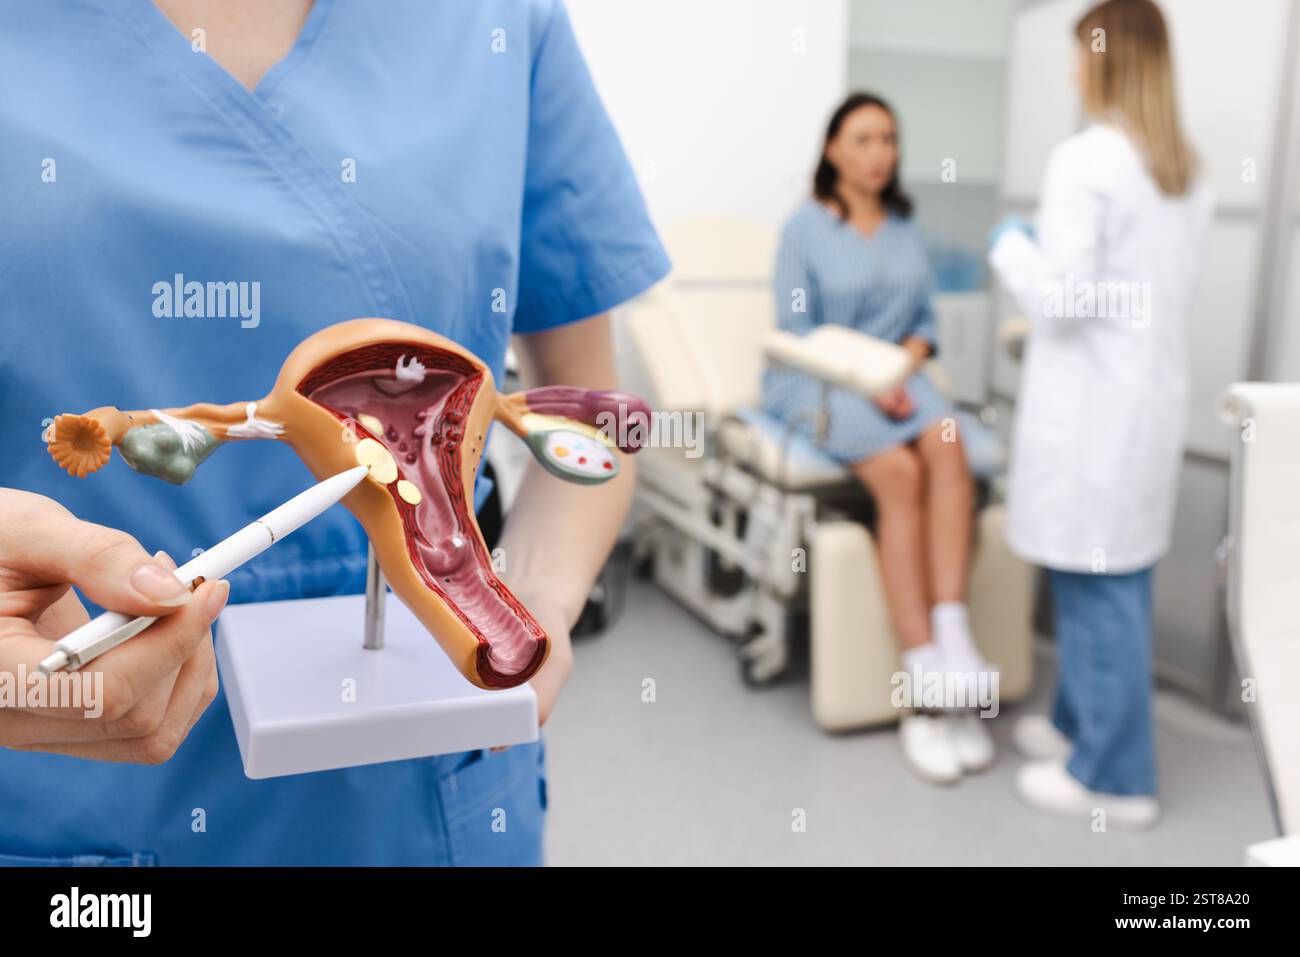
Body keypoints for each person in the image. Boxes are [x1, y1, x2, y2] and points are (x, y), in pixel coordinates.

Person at [0, 0, 669, 865]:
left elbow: (592, 406)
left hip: (430, 787)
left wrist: (538, 592)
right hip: (84, 811)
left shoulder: (498, 22)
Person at [989, 0, 1212, 828]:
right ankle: (1082, 726)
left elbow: (1064, 299)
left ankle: (1116, 778)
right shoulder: (1182, 169)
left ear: (1110, 60)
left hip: (1093, 411)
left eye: (1081, 55)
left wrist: (1011, 245)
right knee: (1111, 576)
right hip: (1141, 399)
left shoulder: (1088, 159)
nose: (1074, 70)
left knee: (1097, 587)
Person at [762, 92, 995, 786]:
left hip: (898, 376)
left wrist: (904, 365)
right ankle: (924, 686)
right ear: (833, 148)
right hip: (822, 379)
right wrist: (867, 377)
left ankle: (953, 637)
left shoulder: (903, 225)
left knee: (947, 438)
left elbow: (924, 320)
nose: (879, 153)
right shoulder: (803, 228)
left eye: (888, 139)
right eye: (863, 139)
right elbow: (795, 333)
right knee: (898, 472)